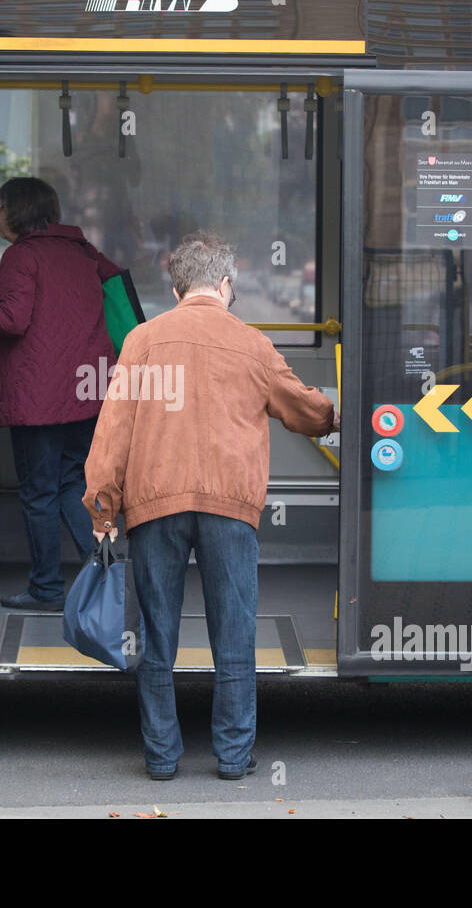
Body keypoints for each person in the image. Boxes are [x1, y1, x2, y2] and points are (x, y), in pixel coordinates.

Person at [82, 233, 338, 780]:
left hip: (154, 506)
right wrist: (337, 414)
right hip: (229, 507)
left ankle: (161, 757)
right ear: (225, 284)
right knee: (235, 632)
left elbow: (112, 436)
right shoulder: (252, 343)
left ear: (176, 288)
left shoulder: (143, 341)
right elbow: (302, 411)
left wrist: (104, 511)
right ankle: (233, 755)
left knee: (156, 635)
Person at [0, 177, 122, 611]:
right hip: (86, 395)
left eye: (1, 207)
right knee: (75, 485)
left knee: (39, 493)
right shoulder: (84, 253)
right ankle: (111, 571)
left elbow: (13, 320)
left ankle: (47, 589)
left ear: (18, 212)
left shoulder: (22, 256)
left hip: (40, 402)